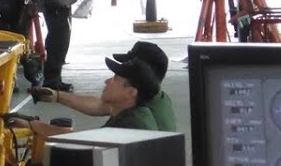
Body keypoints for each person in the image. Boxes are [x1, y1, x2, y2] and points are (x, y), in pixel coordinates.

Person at [30, 41, 176, 131]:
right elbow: (100, 106)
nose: (108, 81)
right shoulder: (155, 98)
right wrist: (57, 96)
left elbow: (86, 144)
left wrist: (34, 126)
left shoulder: (135, 119)